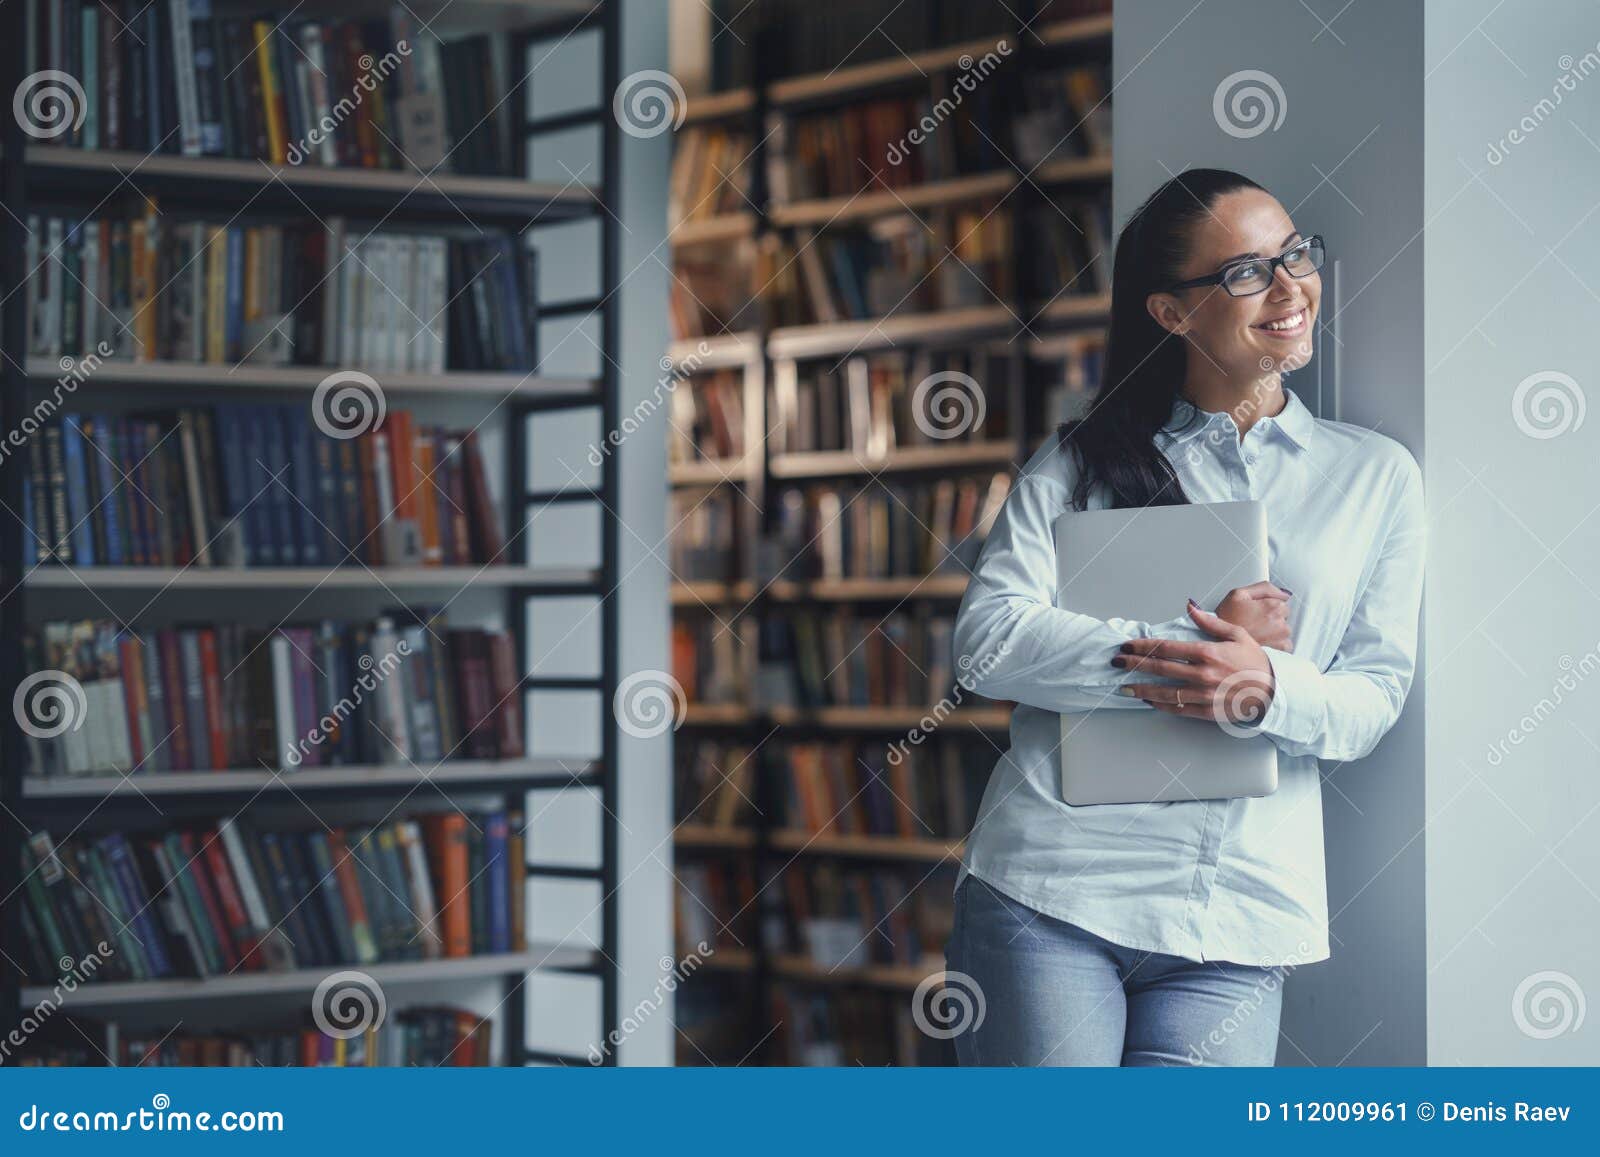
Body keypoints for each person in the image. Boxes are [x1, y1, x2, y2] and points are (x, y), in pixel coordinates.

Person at [944, 169, 1425, 1066]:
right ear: (1171, 313)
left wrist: (1265, 683)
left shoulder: (1377, 476)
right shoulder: (1080, 458)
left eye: (1295, 255)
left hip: (1239, 911)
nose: (1289, 288)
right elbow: (989, 641)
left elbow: (1374, 694)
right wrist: (1187, 651)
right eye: (1247, 271)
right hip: (1053, 891)